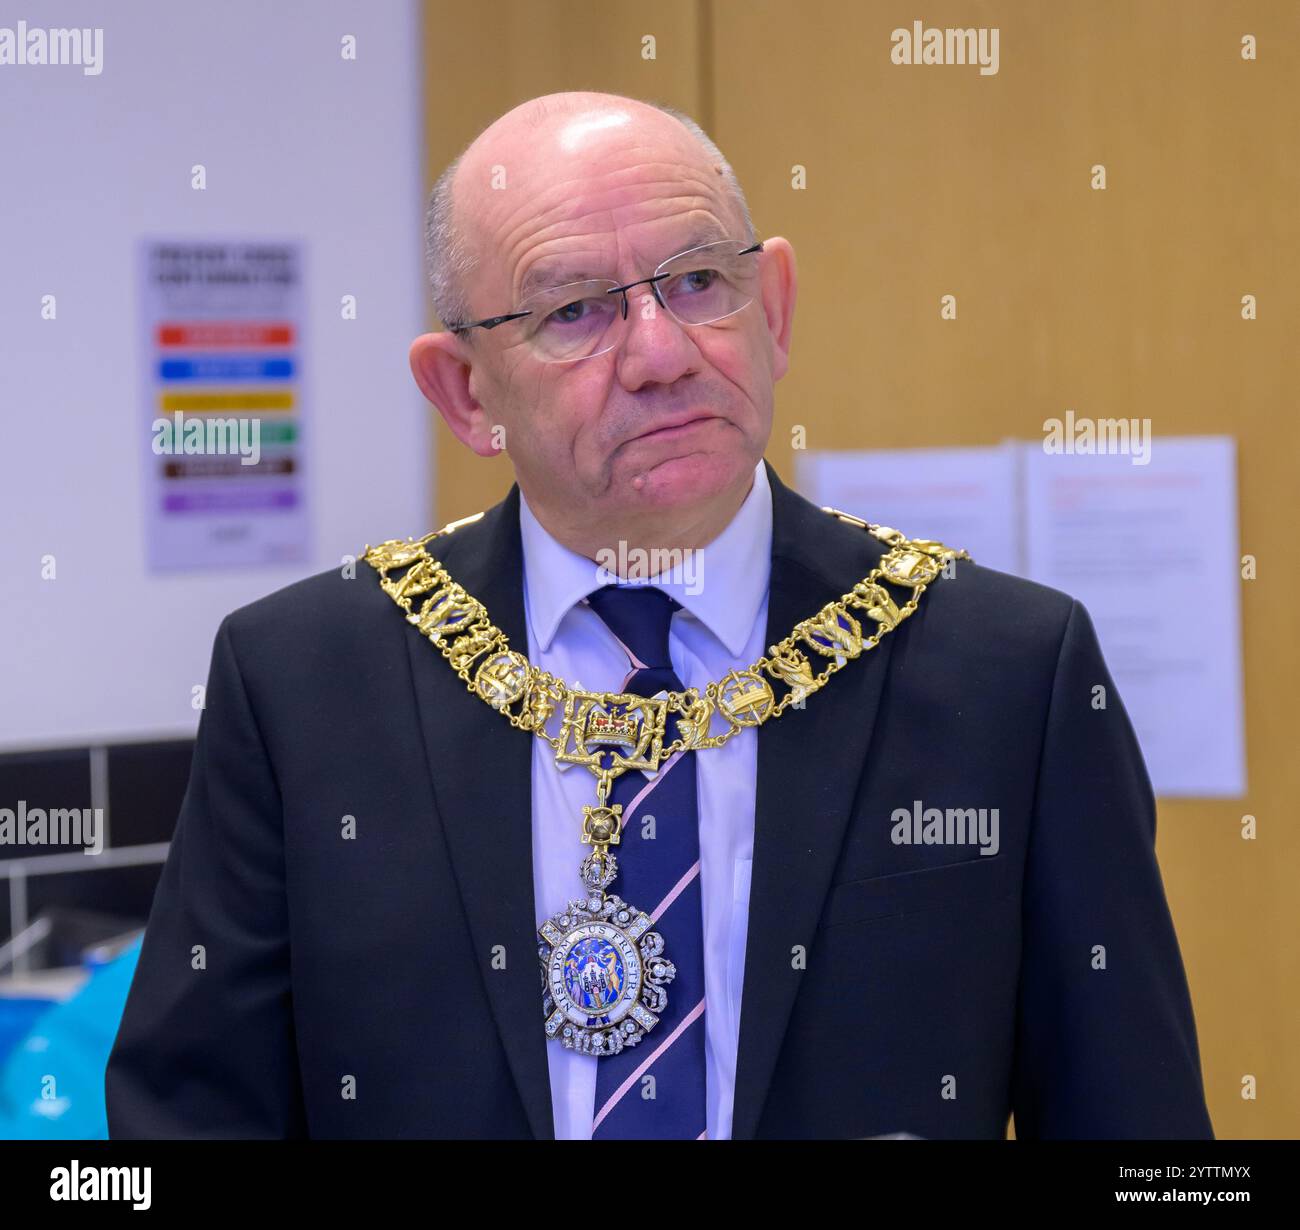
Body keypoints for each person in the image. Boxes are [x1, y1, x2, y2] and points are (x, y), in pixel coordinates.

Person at [105, 91, 1214, 1140]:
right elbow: (192, 1119)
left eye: (696, 284)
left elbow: (1137, 1132)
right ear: (464, 390)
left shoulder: (1005, 669)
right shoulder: (304, 681)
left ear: (771, 309)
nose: (660, 356)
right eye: (575, 310)